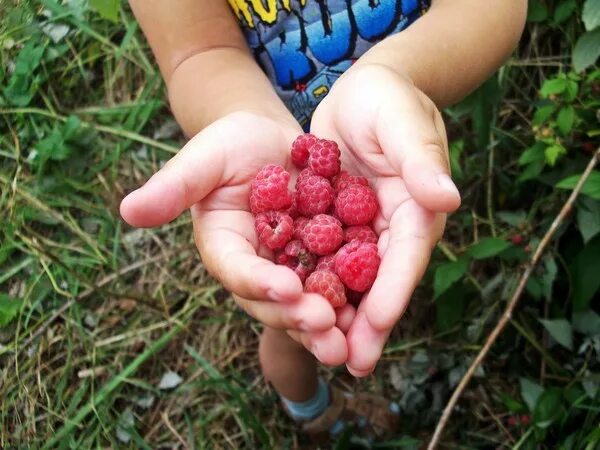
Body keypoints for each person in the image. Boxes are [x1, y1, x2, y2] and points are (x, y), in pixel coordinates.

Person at [120, 0, 527, 442]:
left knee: (355, 289)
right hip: (277, 136)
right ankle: (311, 410)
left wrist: (398, 75)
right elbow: (199, 53)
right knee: (293, 327)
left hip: (392, 128)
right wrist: (241, 113)